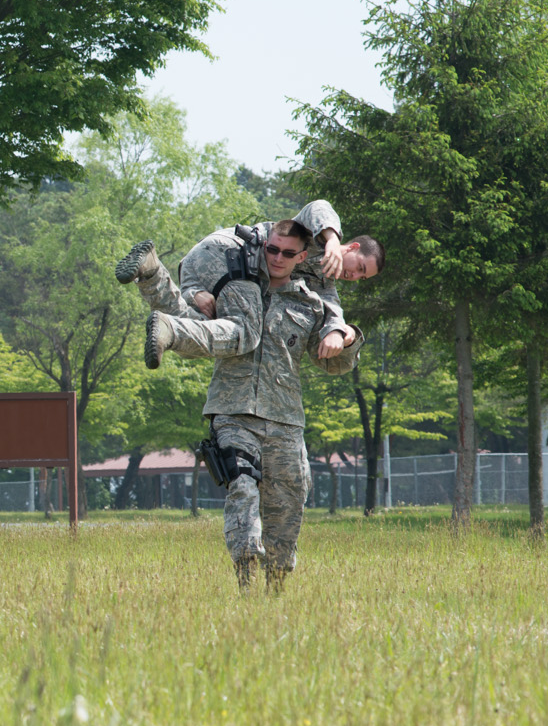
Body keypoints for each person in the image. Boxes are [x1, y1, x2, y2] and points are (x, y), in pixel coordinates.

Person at [156, 231, 365, 593]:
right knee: (242, 486)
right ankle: (246, 577)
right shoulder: (234, 289)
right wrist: (188, 291)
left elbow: (332, 362)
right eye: (272, 249)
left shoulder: (311, 304)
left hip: (284, 420)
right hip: (232, 409)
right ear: (262, 247)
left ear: (302, 258)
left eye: (288, 253)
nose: (278, 257)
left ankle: (276, 589)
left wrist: (346, 338)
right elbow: (191, 317)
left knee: (287, 505)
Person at [118, 200, 383, 365]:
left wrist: (339, 332)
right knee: (245, 333)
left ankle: (151, 272)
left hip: (207, 259)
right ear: (353, 247)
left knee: (199, 333)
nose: (355, 276)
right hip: (234, 253)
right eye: (359, 267)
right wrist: (333, 240)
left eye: (362, 277)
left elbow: (333, 310)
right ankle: (171, 329)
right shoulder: (317, 239)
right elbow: (318, 207)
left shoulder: (324, 283)